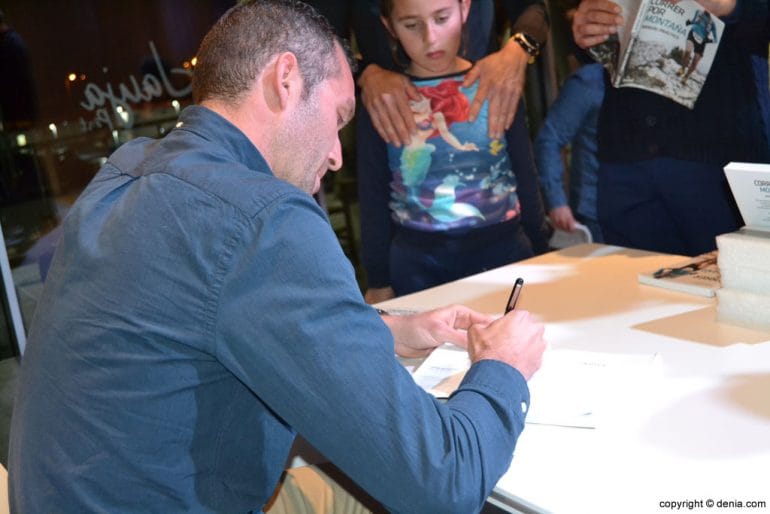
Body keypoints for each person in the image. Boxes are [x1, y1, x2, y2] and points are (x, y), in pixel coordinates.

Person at [8, 2, 548, 513]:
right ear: (285, 80)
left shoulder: (129, 171)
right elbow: (444, 482)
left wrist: (385, 329)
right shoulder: (262, 217)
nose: (337, 156)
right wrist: (503, 367)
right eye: (337, 119)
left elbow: (209, 318)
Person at [358, 0, 550, 301]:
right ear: (388, 26)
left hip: (505, 253)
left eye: (442, 18)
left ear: (465, 9)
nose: (430, 37)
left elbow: (526, 176)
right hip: (417, 267)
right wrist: (379, 278)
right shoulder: (383, 101)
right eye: (411, 25)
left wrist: (541, 250)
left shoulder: (497, 84)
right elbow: (372, 195)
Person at [572, 0, 770, 256]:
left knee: (735, 284)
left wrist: (730, 5)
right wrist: (586, 27)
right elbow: (591, 34)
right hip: (625, 156)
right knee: (633, 289)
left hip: (717, 158)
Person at [534, 62, 604, 243]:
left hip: (650, 207)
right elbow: (550, 138)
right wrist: (556, 201)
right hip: (597, 211)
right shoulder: (590, 81)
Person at [678, 9, 719, 85]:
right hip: (692, 34)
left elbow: (716, 40)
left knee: (694, 62)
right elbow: (694, 21)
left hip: (702, 42)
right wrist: (689, 22)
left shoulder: (712, 23)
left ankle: (686, 76)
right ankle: (682, 69)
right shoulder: (698, 12)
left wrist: (709, 40)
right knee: (687, 52)